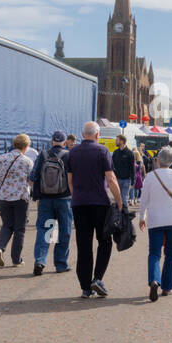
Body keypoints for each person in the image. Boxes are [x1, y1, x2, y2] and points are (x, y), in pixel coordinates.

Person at [68, 121, 124, 299]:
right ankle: (97, 278)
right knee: (105, 241)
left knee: (83, 245)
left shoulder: (73, 152)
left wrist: (76, 196)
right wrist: (119, 201)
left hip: (79, 204)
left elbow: (70, 180)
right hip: (100, 203)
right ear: (97, 134)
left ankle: (85, 287)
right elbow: (111, 178)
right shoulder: (102, 151)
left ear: (83, 134)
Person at [138, 146, 172, 302]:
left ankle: (154, 280)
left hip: (155, 219)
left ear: (158, 159)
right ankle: (167, 287)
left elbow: (143, 200)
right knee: (170, 254)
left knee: (154, 253)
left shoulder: (150, 177)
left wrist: (142, 217)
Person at [30, 131, 72, 276]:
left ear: (51, 141)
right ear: (64, 142)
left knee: (45, 230)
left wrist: (38, 194)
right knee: (64, 230)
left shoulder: (43, 155)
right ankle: (61, 264)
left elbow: (32, 176)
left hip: (46, 200)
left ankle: (40, 260)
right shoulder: (68, 155)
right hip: (64, 199)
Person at [0, 134, 34, 267]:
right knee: (19, 229)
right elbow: (31, 180)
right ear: (26, 147)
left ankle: (0, 247)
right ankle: (16, 259)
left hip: (3, 198)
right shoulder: (27, 161)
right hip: (20, 198)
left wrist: (6, 186)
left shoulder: (2, 158)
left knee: (6, 225)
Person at [112, 134, 136, 210]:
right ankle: (117, 217)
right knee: (117, 198)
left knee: (124, 198)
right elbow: (112, 166)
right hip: (117, 179)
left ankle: (124, 217)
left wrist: (133, 181)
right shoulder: (115, 153)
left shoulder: (129, 153)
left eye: (117, 140)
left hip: (127, 180)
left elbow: (132, 168)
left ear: (122, 141)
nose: (115, 141)